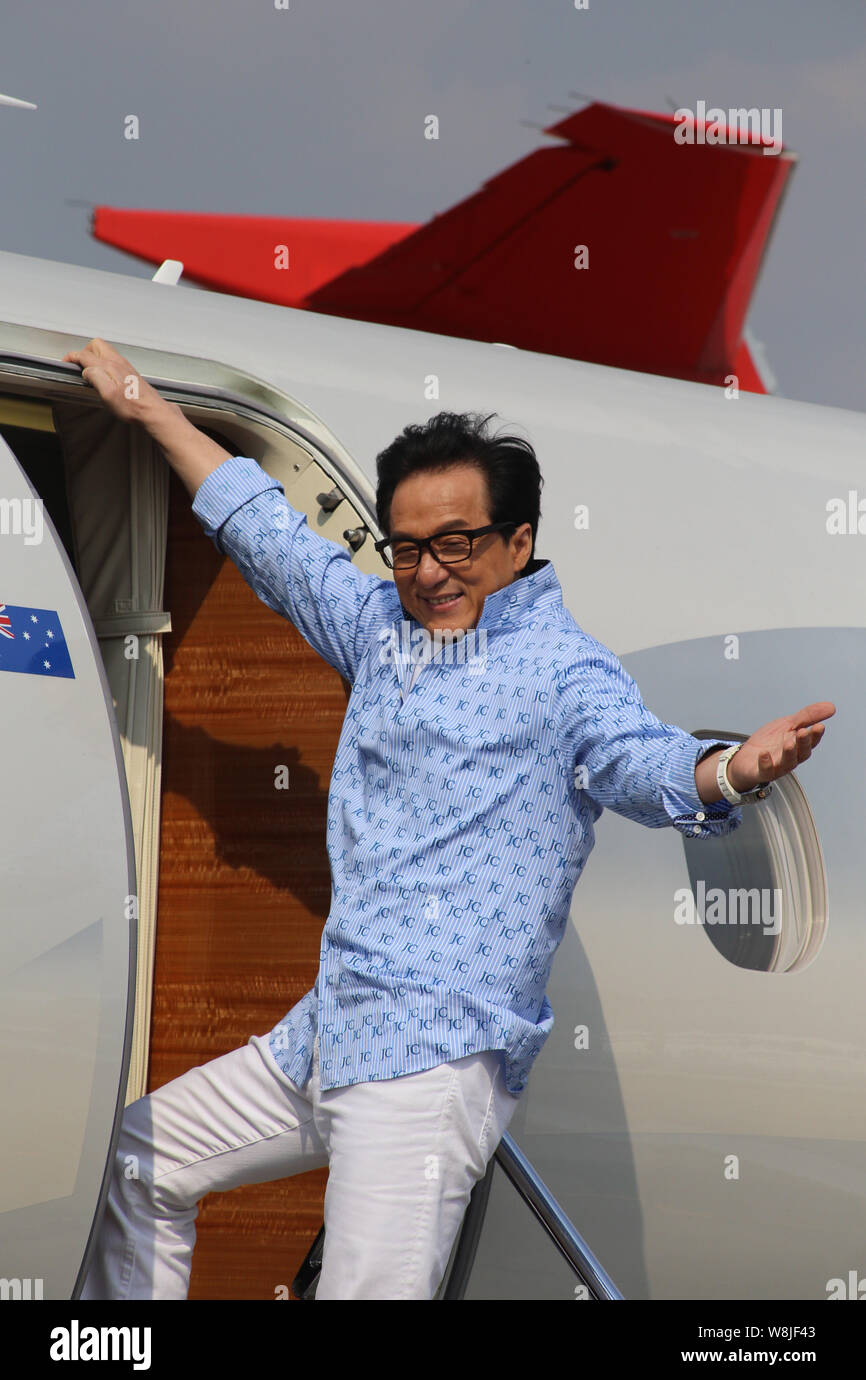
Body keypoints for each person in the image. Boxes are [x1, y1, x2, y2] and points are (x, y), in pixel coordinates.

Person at [65, 338, 834, 1301]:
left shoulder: (563, 672)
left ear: (517, 543)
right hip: (329, 1035)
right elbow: (269, 535)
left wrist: (729, 770)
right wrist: (151, 411)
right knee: (141, 1159)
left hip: (431, 1061)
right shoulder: (380, 634)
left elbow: (643, 764)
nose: (429, 572)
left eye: (456, 544)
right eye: (409, 548)